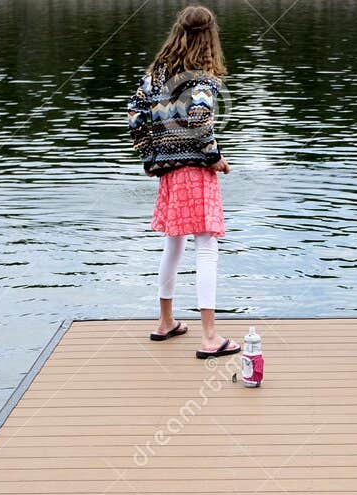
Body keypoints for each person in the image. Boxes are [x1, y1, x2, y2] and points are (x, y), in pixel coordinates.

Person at [128, 5, 238, 358]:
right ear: (210, 36)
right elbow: (201, 118)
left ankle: (166, 322)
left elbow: (135, 113)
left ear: (177, 32)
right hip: (195, 169)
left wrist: (149, 156)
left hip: (170, 172)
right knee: (206, 247)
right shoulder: (203, 76)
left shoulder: (156, 74)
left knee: (173, 244)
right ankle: (209, 338)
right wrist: (213, 156)